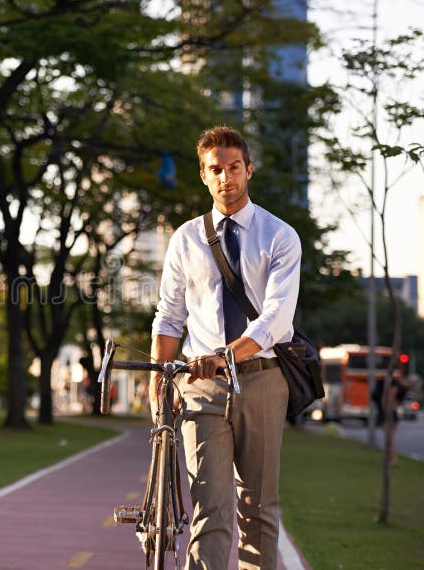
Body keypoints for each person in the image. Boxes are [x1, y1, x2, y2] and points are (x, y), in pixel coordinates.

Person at [150, 126, 301, 570]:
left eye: (233, 167)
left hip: (263, 381)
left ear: (248, 170)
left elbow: (277, 318)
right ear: (203, 175)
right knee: (209, 508)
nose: (225, 178)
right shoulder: (185, 239)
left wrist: (227, 355)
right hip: (201, 387)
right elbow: (169, 315)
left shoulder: (280, 236)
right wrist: (161, 378)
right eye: (215, 170)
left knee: (258, 509)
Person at [372, 376, 407, 465]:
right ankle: (392, 458)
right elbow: (391, 398)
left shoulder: (395, 385)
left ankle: (390, 457)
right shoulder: (395, 385)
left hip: (386, 412)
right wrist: (389, 413)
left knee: (389, 437)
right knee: (390, 437)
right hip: (388, 413)